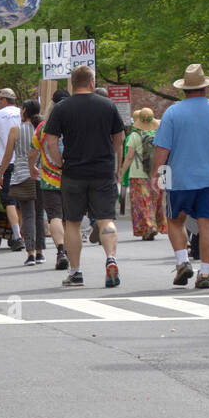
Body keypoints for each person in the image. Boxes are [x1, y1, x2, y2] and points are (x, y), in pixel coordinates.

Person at [151, 64, 209, 290]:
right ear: (205, 88)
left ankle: (182, 262)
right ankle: (206, 274)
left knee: (175, 220)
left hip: (177, 177)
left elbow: (162, 149)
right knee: (208, 224)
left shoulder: (172, 112)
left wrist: (156, 174)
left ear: (184, 89)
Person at [43, 66, 125, 288]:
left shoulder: (62, 108)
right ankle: (110, 258)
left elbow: (50, 140)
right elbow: (119, 137)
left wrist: (59, 162)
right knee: (106, 219)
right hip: (103, 171)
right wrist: (113, 158)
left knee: (73, 223)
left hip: (74, 172)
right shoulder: (107, 105)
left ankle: (76, 272)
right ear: (91, 82)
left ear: (72, 83)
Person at [2, 99, 46, 265]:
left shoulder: (16, 130)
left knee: (28, 215)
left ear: (25, 111)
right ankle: (41, 252)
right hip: (41, 174)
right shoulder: (42, 129)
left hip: (22, 174)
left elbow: (7, 156)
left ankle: (31, 253)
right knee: (40, 214)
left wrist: (0, 174)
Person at [31, 89, 71, 269]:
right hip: (72, 177)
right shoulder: (75, 124)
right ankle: (70, 250)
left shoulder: (42, 127)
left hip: (49, 178)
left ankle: (61, 250)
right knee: (70, 219)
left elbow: (32, 152)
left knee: (54, 216)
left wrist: (31, 166)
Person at [0, 88, 25, 250]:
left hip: (5, 163)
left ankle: (17, 235)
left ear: (3, 100)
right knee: (22, 201)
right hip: (23, 162)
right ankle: (22, 233)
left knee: (9, 201)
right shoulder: (23, 113)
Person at [121, 108, 166, 241]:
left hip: (137, 174)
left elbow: (129, 157)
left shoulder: (134, 136)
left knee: (141, 202)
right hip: (155, 173)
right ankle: (156, 225)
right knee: (154, 201)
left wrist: (122, 172)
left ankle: (149, 227)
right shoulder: (159, 135)